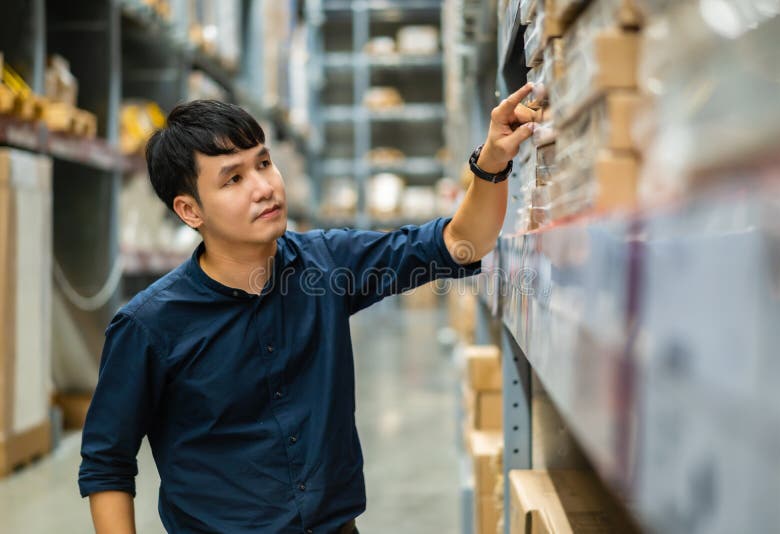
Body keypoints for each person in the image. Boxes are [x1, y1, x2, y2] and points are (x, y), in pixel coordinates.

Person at [78, 83, 538, 533]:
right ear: (189, 210)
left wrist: (493, 162)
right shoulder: (149, 326)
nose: (263, 187)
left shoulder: (327, 266)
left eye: (264, 163)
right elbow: (108, 464)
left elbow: (460, 242)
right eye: (234, 178)